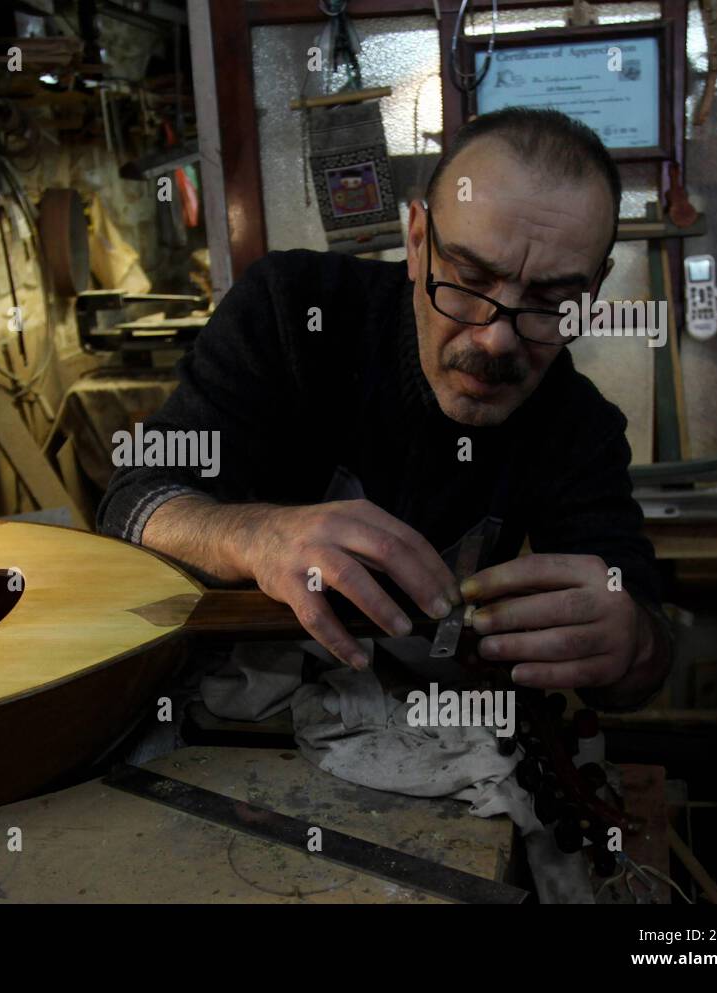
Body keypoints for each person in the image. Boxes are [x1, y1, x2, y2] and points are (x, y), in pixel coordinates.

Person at [98, 107, 672, 710]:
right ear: (418, 240)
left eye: (552, 301)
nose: (496, 340)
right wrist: (256, 534)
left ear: (596, 289)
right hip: (226, 710)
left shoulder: (577, 427)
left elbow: (639, 666)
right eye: (470, 279)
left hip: (423, 730)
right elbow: (131, 505)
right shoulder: (292, 309)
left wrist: (631, 642)